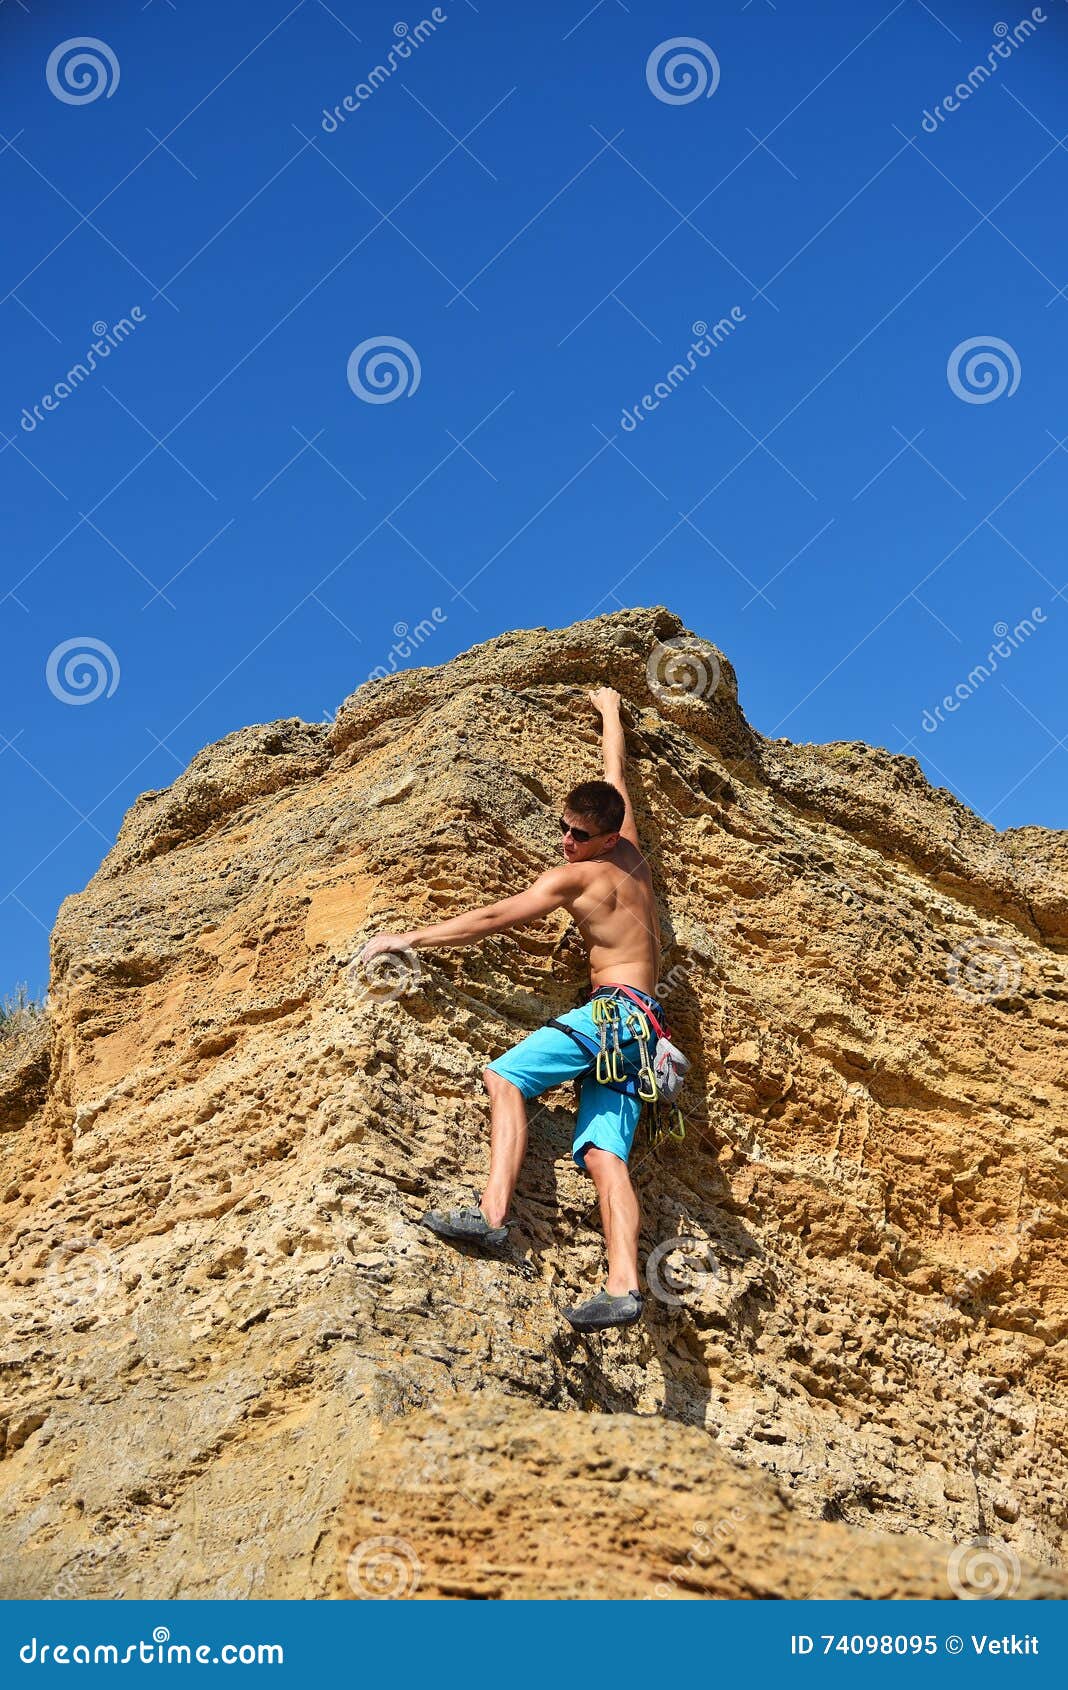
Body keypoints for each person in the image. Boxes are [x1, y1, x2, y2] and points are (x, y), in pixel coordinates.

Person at [360, 686, 663, 1331]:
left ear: (605, 838)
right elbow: (616, 777)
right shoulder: (629, 848)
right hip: (644, 1033)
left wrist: (406, 939)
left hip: (612, 1015)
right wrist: (610, 714)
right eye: (562, 826)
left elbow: (494, 918)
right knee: (604, 1158)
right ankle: (625, 1287)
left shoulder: (578, 877)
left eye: (578, 835)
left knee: (505, 1077)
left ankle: (492, 1217)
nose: (564, 841)